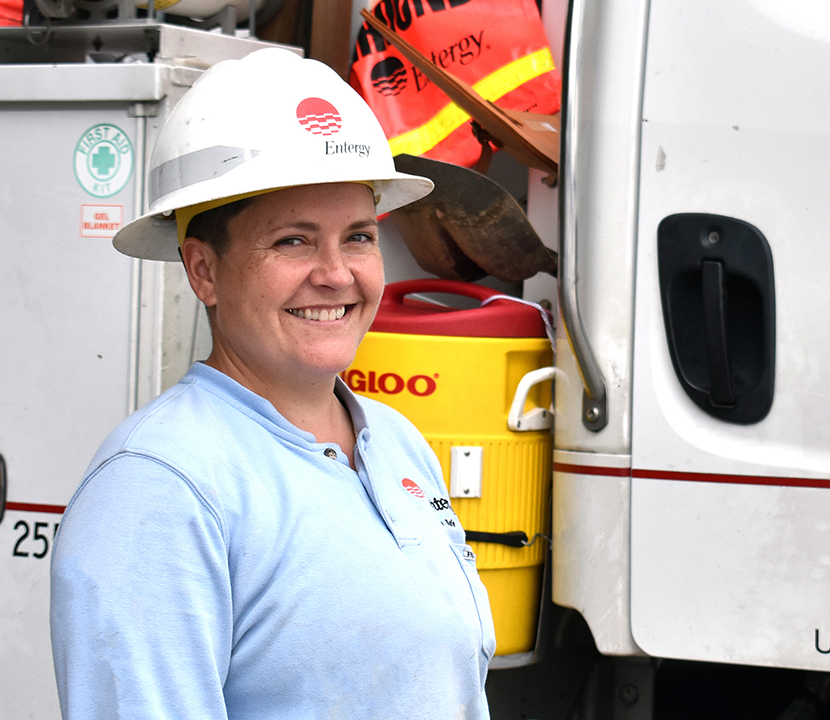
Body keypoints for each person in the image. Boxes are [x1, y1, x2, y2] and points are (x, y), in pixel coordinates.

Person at [49, 48, 495, 719]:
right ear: (203, 271)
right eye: (293, 241)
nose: (337, 274)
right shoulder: (160, 486)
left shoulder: (397, 444)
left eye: (359, 237)